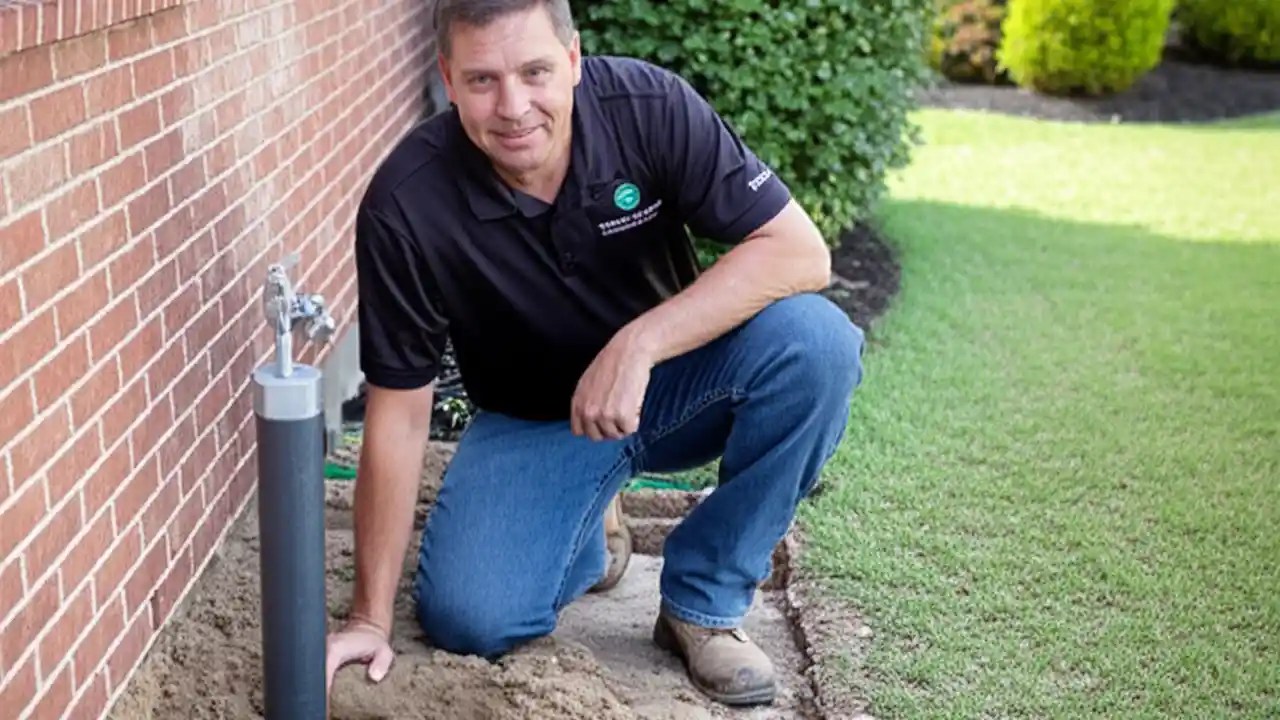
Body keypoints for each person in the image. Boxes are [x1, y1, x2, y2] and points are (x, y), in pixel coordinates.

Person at [325, 0, 865, 708]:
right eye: (483, 80)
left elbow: (799, 252)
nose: (514, 106)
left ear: (575, 61)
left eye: (536, 71)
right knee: (470, 620)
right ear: (447, 79)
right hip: (535, 419)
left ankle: (702, 606)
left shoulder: (649, 107)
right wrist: (368, 615)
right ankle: (588, 519)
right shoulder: (406, 203)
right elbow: (397, 415)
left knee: (816, 344)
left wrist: (639, 343)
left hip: (676, 386)